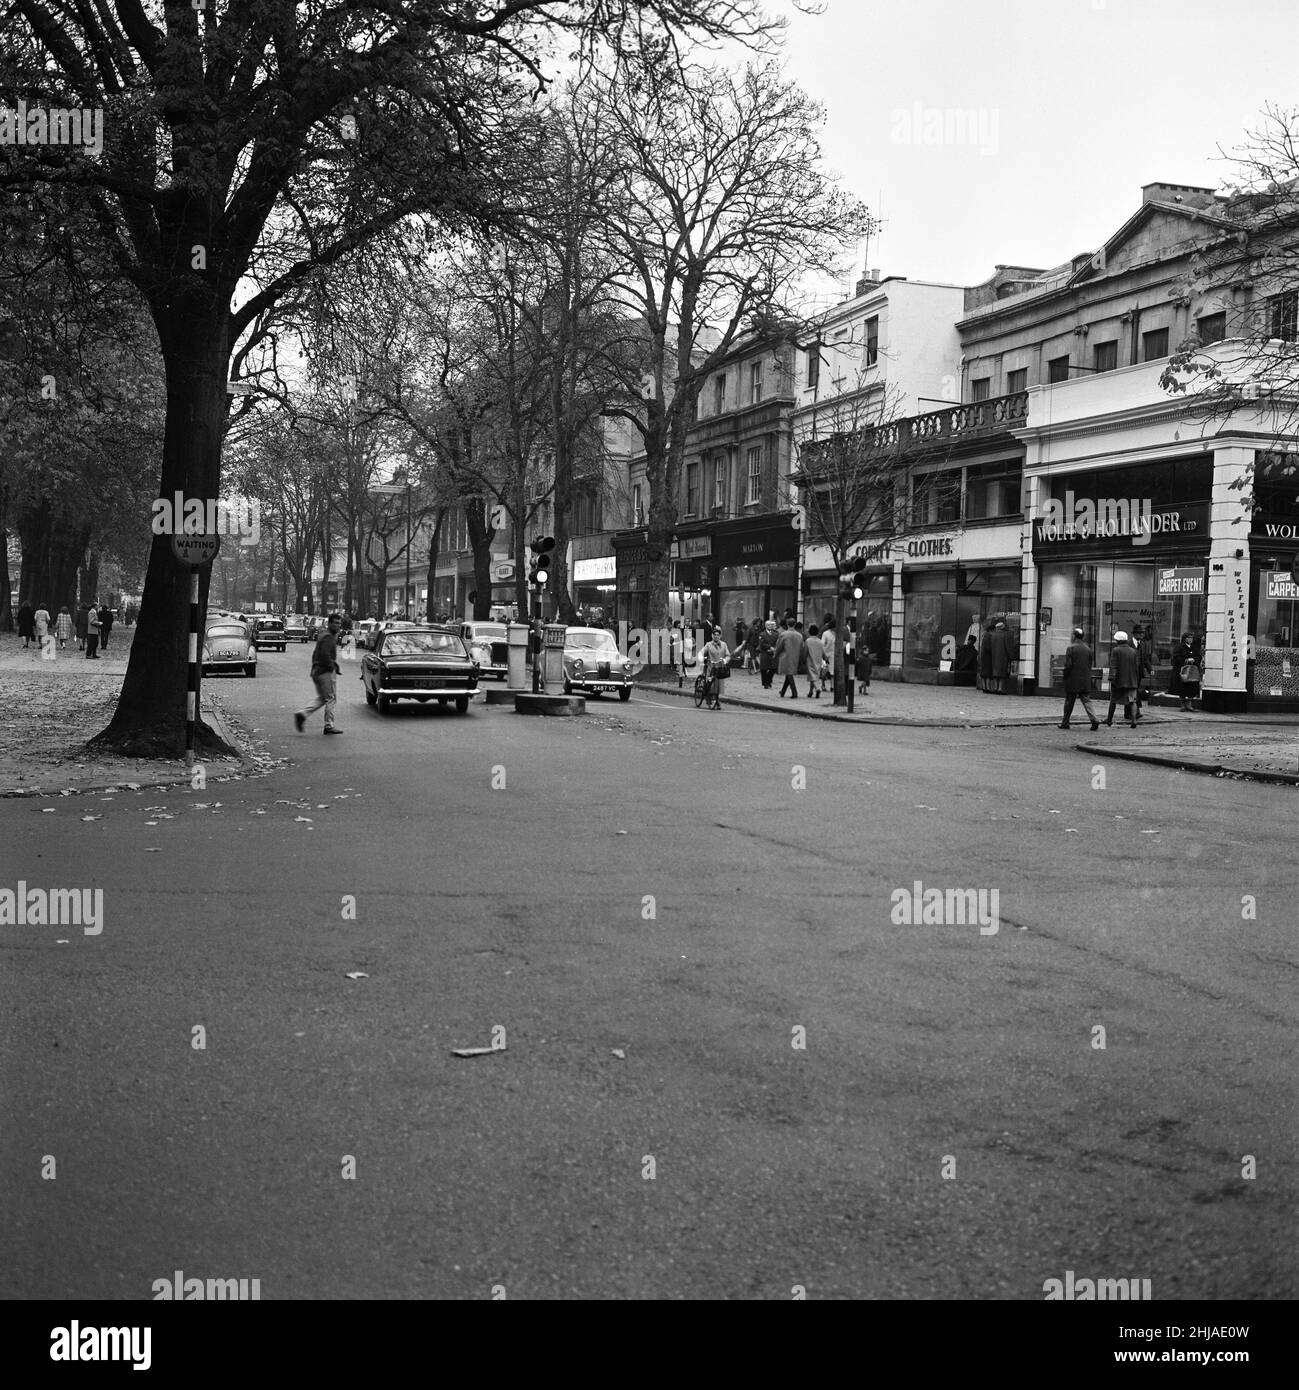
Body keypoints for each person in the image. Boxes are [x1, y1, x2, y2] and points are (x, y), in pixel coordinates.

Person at [295, 613, 344, 735]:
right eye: (336, 623)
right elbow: (324, 655)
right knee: (331, 698)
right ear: (330, 623)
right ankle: (329, 725)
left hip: (317, 671)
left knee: (323, 698)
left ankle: (302, 714)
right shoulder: (328, 637)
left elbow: (315, 654)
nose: (338, 626)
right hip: (325, 672)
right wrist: (331, 666)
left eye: (339, 623)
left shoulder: (324, 635)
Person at [1058, 627, 1100, 731]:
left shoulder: (1071, 648)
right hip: (1085, 679)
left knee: (1069, 702)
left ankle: (1065, 722)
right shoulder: (1088, 649)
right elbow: (1089, 665)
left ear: (1074, 636)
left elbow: (1068, 665)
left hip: (1072, 679)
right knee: (1086, 700)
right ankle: (1094, 719)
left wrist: (1065, 676)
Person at [1106, 629, 1141, 728]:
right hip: (1132, 680)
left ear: (1118, 641)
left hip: (1119, 681)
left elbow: (1113, 665)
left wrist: (1111, 677)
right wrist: (1136, 679)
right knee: (1132, 701)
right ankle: (1134, 720)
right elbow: (1136, 666)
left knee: (1113, 700)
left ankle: (1109, 720)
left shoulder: (1116, 650)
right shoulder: (1133, 651)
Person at [701, 627, 730, 710]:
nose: (716, 636)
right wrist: (702, 658)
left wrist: (725, 660)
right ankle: (708, 697)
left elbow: (728, 655)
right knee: (710, 684)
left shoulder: (724, 644)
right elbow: (702, 652)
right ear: (712, 636)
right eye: (714, 635)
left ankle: (717, 700)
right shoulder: (708, 644)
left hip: (720, 668)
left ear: (720, 636)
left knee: (719, 686)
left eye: (718, 635)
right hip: (711, 667)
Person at [774, 618, 804, 699]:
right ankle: (782, 691)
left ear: (787, 624)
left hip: (785, 656)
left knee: (789, 674)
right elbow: (802, 647)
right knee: (789, 674)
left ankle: (794, 692)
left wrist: (775, 655)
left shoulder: (784, 634)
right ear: (794, 624)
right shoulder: (799, 635)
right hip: (796, 656)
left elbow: (779, 646)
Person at [984, 620, 1013, 694]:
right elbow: (1008, 647)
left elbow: (989, 647)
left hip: (993, 656)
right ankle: (1000, 688)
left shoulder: (993, 635)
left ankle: (995, 688)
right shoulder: (1005, 635)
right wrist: (1011, 656)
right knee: (1002, 674)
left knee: (995, 673)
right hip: (1003, 656)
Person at [803, 624, 826, 699]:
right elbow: (823, 652)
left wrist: (803, 659)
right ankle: (810, 692)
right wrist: (825, 659)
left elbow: (805, 651)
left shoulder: (808, 641)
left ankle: (817, 689)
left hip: (810, 660)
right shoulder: (820, 642)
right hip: (818, 660)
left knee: (812, 677)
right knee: (814, 676)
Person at [758, 620, 779, 690]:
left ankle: (769, 681)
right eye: (769, 625)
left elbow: (778, 642)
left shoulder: (776, 634)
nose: (771, 626)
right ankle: (765, 683)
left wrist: (775, 648)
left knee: (773, 668)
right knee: (764, 669)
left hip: (773, 653)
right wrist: (769, 647)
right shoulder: (762, 634)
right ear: (766, 626)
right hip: (765, 652)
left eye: (771, 625)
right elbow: (762, 643)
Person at [820, 616, 837, 694]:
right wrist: (823, 655)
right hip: (826, 655)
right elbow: (822, 644)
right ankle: (823, 685)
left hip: (834, 655)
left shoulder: (837, 634)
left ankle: (832, 686)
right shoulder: (825, 634)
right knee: (824, 672)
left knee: (833, 672)